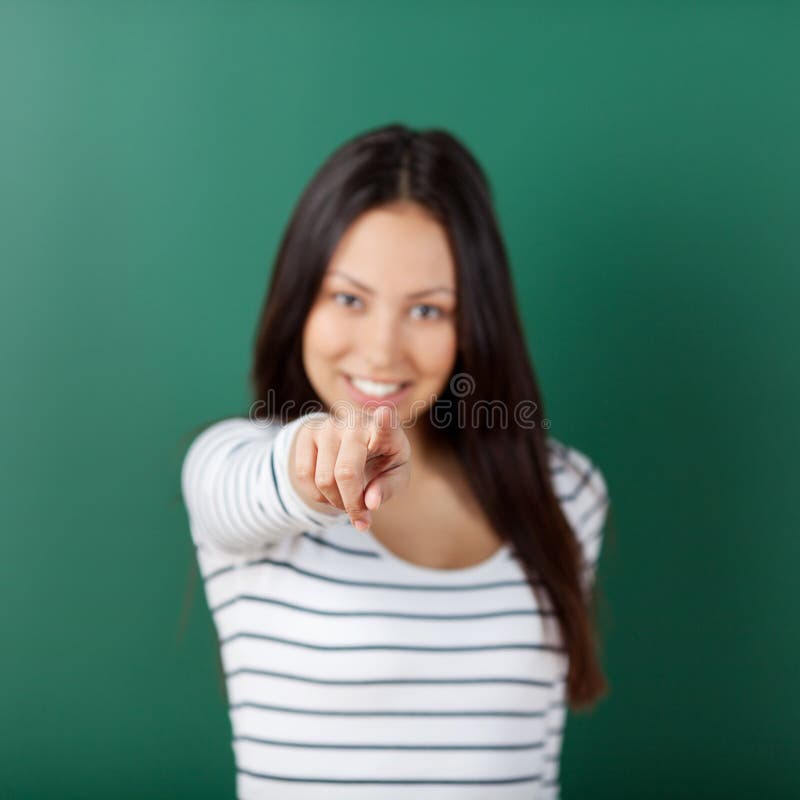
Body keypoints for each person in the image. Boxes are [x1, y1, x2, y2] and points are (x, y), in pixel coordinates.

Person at [180, 123, 611, 799]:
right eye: (348, 298)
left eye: (428, 310)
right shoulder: (227, 464)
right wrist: (327, 458)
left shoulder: (567, 491)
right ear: (301, 303)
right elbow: (277, 476)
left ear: (474, 324)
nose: (382, 352)